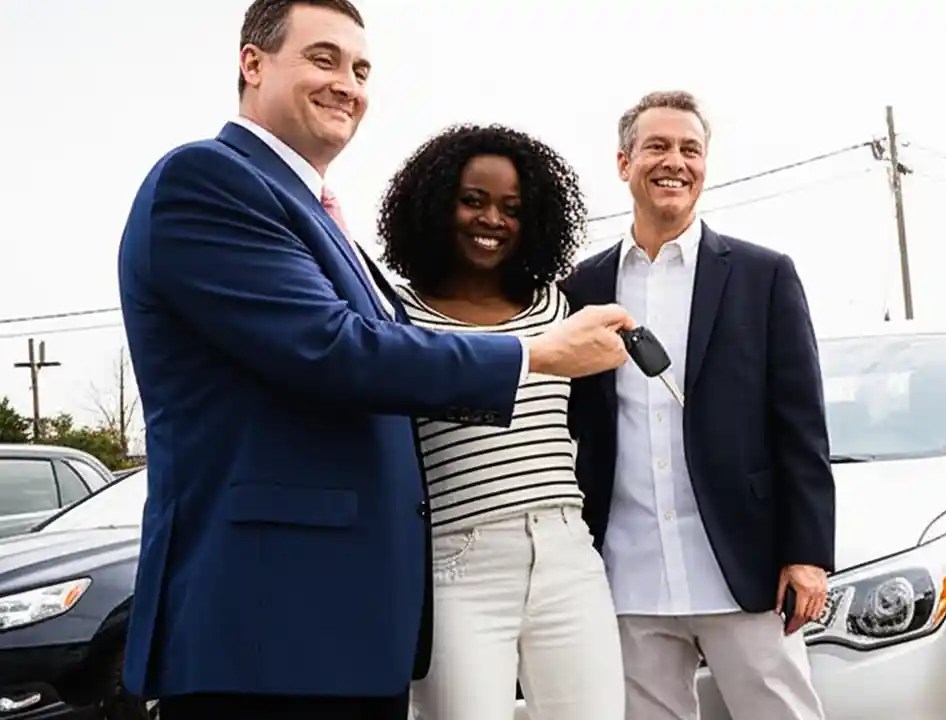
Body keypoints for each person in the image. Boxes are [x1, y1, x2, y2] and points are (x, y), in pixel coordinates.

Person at [116, 2, 634, 718]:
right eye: (323, 58)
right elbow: (333, 348)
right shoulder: (206, 180)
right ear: (252, 63)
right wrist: (535, 354)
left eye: (361, 70)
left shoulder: (317, 216)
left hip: (345, 629)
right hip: (267, 628)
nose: (348, 84)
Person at [562, 90, 836, 720]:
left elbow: (802, 426)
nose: (675, 162)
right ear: (624, 162)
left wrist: (808, 553)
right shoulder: (582, 286)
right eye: (657, 146)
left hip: (743, 563)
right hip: (627, 569)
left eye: (690, 149)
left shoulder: (764, 275)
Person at [376, 124, 625, 720]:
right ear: (437, 204)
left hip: (568, 553)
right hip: (456, 564)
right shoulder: (394, 314)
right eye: (473, 200)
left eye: (512, 208)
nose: (493, 219)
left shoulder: (556, 305)